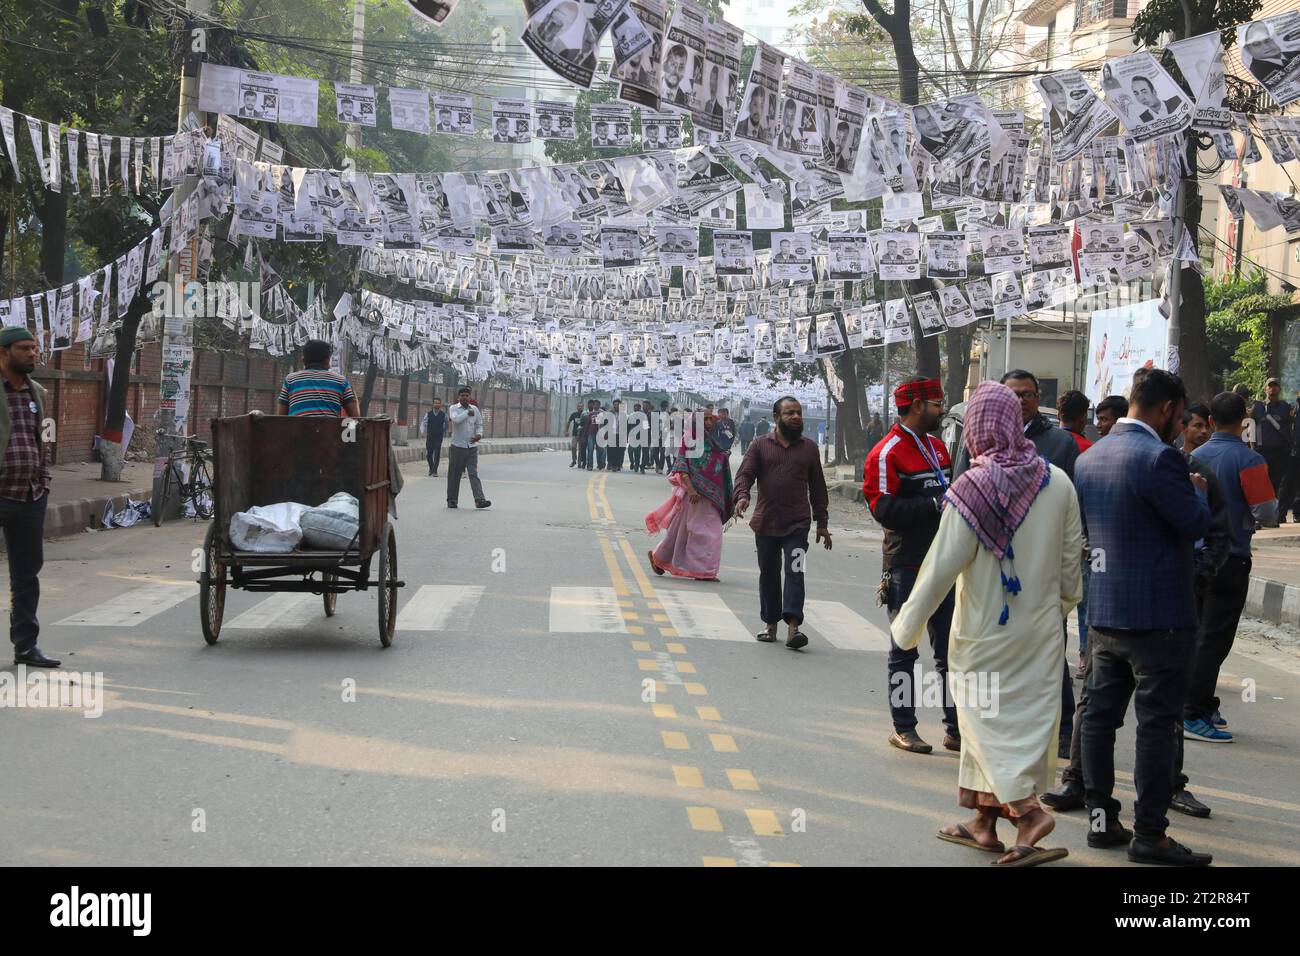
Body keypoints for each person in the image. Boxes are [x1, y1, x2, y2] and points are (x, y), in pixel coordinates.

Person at [896, 381, 1081, 866]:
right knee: (1018, 724)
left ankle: (1027, 814)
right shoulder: (1057, 481)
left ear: (978, 428)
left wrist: (906, 628)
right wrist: (1048, 613)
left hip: (984, 631)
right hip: (1040, 633)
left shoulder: (970, 488)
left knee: (981, 724)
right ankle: (983, 823)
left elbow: (941, 566)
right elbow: (1070, 572)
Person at [1073, 369, 1213, 866]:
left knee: (1098, 721)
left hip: (1105, 612)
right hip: (1161, 620)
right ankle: (1150, 835)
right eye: (1182, 415)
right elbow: (1195, 523)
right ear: (1169, 409)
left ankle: (1100, 821)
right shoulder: (1160, 459)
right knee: (1156, 725)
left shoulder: (1090, 457)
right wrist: (1196, 490)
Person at [864, 377, 960, 754]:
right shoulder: (886, 453)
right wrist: (934, 505)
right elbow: (883, 509)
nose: (941, 408)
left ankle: (954, 728)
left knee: (950, 649)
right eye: (937, 403)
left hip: (946, 560)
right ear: (917, 405)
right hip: (907, 564)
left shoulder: (937, 446)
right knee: (905, 648)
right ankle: (903, 727)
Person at [1181, 392, 1276, 743]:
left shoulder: (1192, 456)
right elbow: (1266, 511)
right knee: (1215, 639)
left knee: (1198, 633)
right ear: (1245, 420)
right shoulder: (1249, 460)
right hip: (1231, 557)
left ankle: (1202, 704)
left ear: (1209, 422)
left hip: (1196, 556)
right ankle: (1192, 711)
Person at [732, 396, 830, 649]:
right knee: (769, 574)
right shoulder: (759, 445)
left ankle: (794, 628)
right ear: (777, 417)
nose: (796, 417)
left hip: (797, 524)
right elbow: (744, 475)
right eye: (790, 413)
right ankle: (770, 624)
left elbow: (818, 487)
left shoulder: (809, 448)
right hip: (765, 523)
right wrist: (742, 496)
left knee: (796, 571)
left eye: (798, 412)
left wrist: (822, 522)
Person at [0, 327, 58, 668]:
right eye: (25, 348)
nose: (33, 354)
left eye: (35, 348)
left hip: (30, 495)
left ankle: (26, 647)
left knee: (26, 576)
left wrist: (43, 478)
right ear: (4, 354)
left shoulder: (38, 392)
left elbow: (41, 441)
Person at [646, 410, 734, 581]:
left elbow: (722, 468)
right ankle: (702, 570)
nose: (708, 422)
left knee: (692, 531)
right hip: (693, 495)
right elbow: (681, 465)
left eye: (711, 419)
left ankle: (662, 559)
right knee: (697, 532)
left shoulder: (719, 442)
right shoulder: (688, 440)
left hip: (713, 497)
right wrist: (692, 489)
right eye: (704, 419)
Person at [276, 339, 360, 418]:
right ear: (328, 361)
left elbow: (281, 417)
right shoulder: (341, 381)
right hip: (330, 432)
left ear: (303, 360)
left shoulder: (290, 380)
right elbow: (355, 417)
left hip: (297, 432)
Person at [1251, 377, 1291, 521]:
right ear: (1265, 389)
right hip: (1263, 451)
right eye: (1270, 386)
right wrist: (1252, 447)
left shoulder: (1285, 407)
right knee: (1264, 483)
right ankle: (1264, 515)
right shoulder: (1258, 408)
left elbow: (1290, 427)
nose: (1272, 389)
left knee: (1280, 483)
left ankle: (1279, 515)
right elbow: (1250, 428)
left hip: (1281, 451)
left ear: (1279, 389)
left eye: (1275, 386)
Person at [446, 386, 491, 510]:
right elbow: (455, 420)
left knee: (473, 474)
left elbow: (479, 425)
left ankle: (479, 499)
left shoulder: (475, 409)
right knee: (454, 475)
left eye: (467, 395)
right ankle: (452, 500)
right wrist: (466, 413)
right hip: (457, 447)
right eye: (462, 395)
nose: (465, 397)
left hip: (471, 448)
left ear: (470, 397)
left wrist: (479, 435)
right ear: (458, 397)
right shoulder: (453, 408)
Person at [424, 397, 447, 477]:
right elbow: (424, 423)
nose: (437, 404)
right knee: (429, 454)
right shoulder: (428, 414)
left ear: (440, 404)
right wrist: (423, 432)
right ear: (433, 404)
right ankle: (431, 467)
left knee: (437, 453)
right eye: (435, 403)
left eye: (438, 403)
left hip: (439, 437)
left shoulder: (443, 415)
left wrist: (444, 432)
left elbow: (446, 425)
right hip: (430, 436)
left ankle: (435, 471)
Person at [567, 404, 584, 468]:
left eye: (581, 406)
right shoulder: (574, 414)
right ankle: (574, 460)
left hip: (582, 434)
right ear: (577, 407)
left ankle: (580, 462)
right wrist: (566, 431)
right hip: (575, 433)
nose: (580, 407)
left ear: (583, 407)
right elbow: (569, 422)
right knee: (573, 447)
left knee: (580, 449)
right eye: (578, 406)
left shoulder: (585, 414)